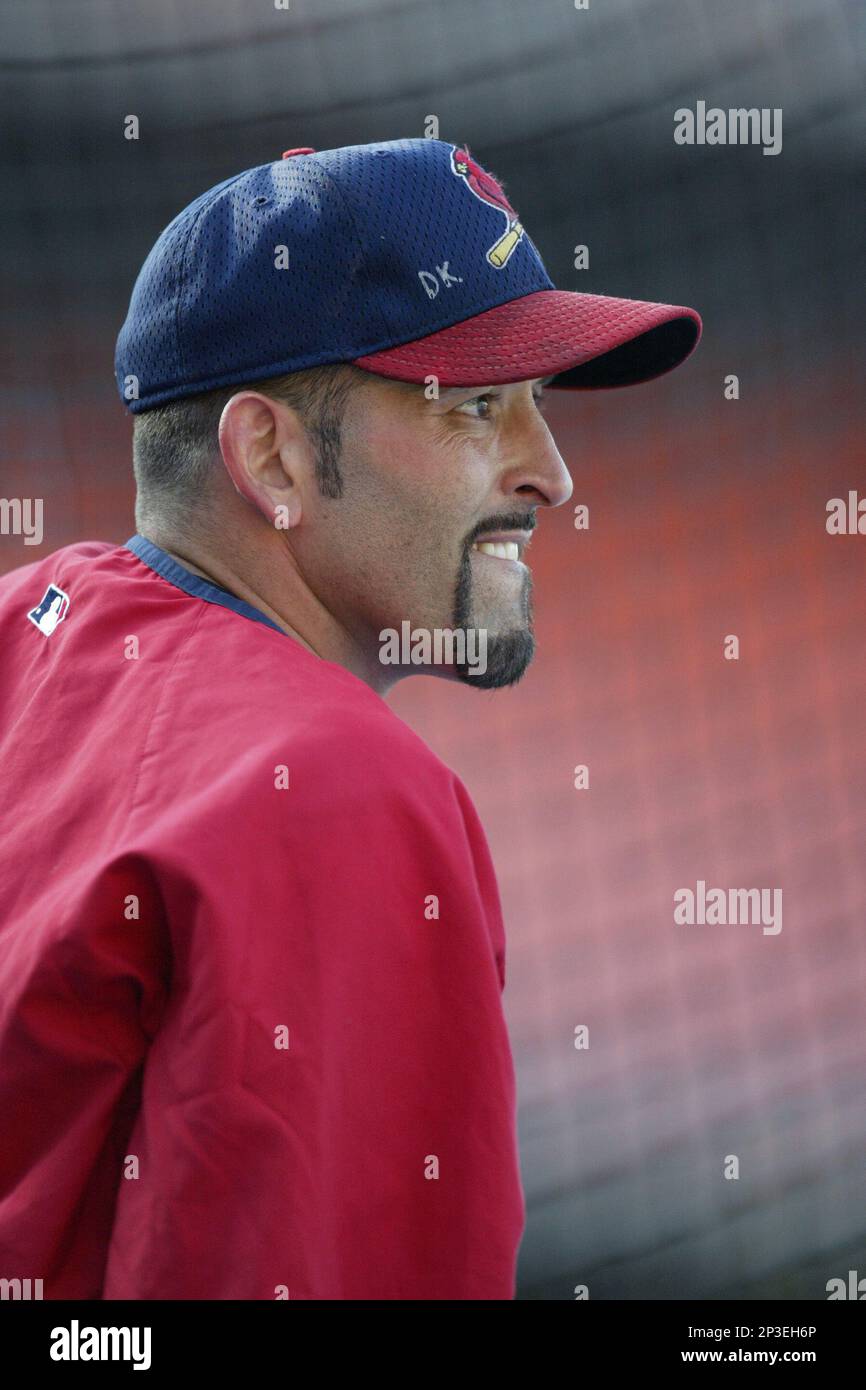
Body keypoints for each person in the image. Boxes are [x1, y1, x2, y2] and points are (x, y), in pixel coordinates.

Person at [0, 137, 701, 1299]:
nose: (552, 474)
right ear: (268, 456)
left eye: (534, 403)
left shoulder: (25, 625)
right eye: (477, 407)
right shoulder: (329, 786)